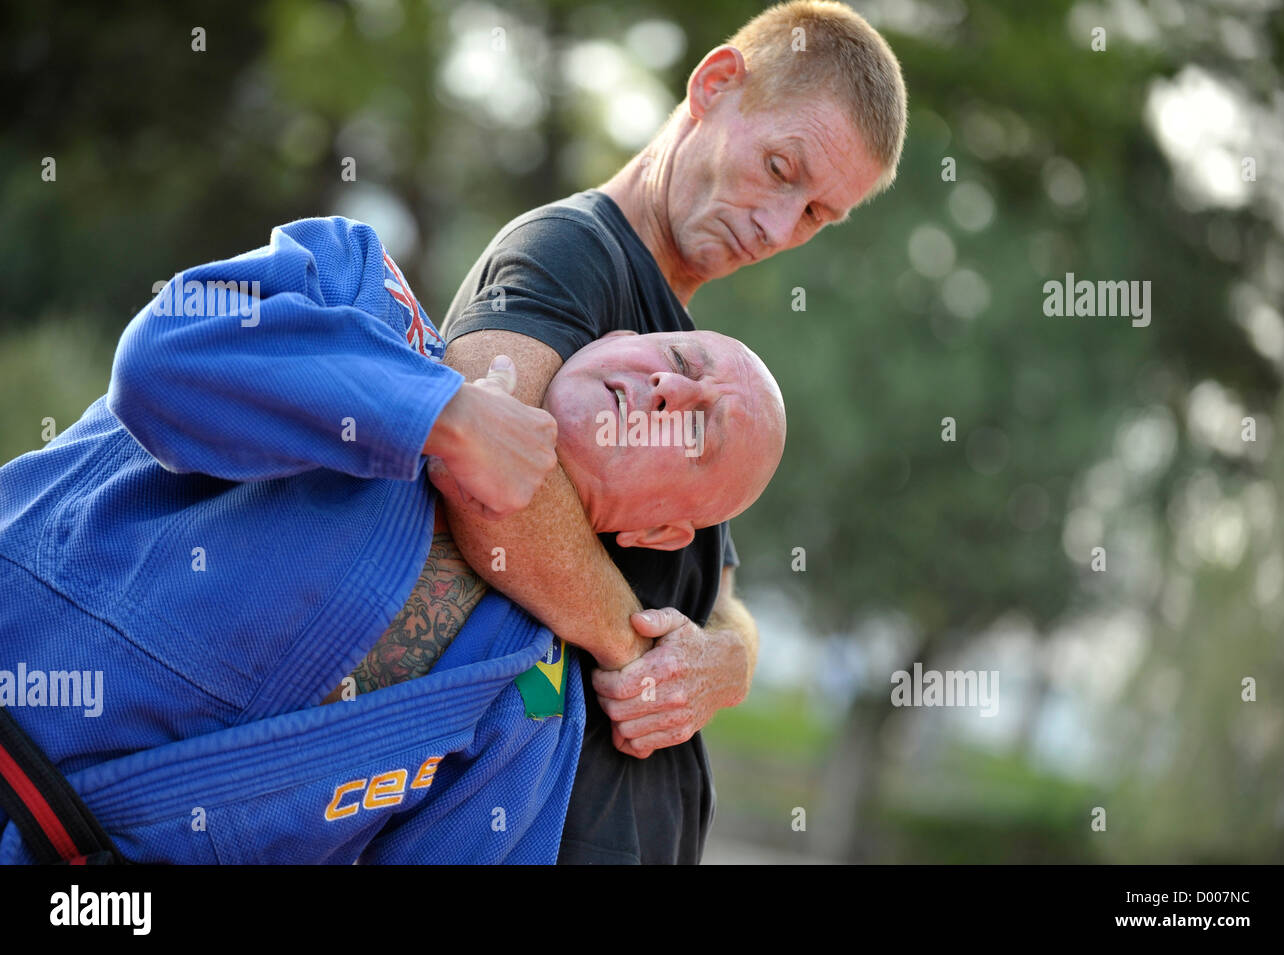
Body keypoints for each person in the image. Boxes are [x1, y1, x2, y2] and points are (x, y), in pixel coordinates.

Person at [0, 213, 785, 863]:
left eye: (699, 428)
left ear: (656, 530)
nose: (668, 390)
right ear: (611, 336)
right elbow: (159, 357)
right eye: (680, 358)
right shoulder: (363, 295)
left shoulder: (533, 712)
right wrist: (440, 413)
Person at [435, 0, 907, 863]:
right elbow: (478, 468)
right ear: (715, 85)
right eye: (779, 167)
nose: (775, 227)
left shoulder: (689, 342)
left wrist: (723, 664)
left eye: (813, 216)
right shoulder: (566, 252)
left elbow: (713, 592)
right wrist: (631, 646)